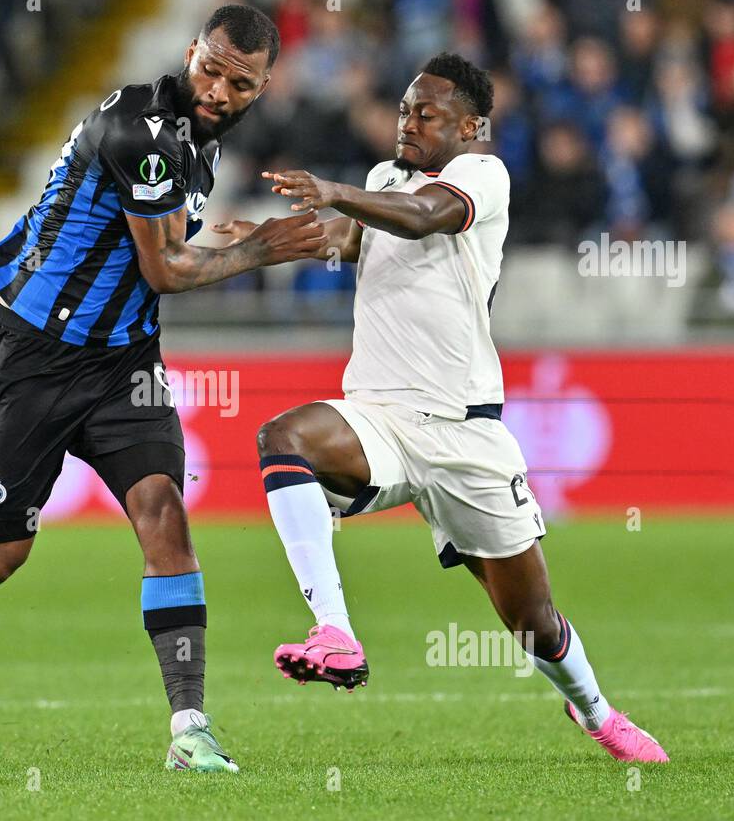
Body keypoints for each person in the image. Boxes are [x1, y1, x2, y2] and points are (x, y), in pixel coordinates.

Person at [0, 5, 326, 772]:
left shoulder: (199, 147)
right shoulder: (143, 131)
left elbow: (176, 242)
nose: (217, 88)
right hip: (31, 358)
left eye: (239, 81)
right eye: (210, 68)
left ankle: (190, 728)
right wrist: (262, 247)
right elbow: (165, 270)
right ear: (191, 51)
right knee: (1, 555)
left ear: (262, 88)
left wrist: (244, 234)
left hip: (123, 365)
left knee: (165, 514)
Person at [216, 51, 668, 763]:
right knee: (284, 436)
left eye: (426, 113)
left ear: (470, 124)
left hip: (465, 433)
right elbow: (349, 238)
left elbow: (426, 218)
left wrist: (333, 190)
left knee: (531, 622)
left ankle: (597, 712)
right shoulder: (381, 180)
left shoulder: (482, 176)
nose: (408, 121)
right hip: (380, 416)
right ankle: (335, 630)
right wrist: (263, 243)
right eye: (403, 109)